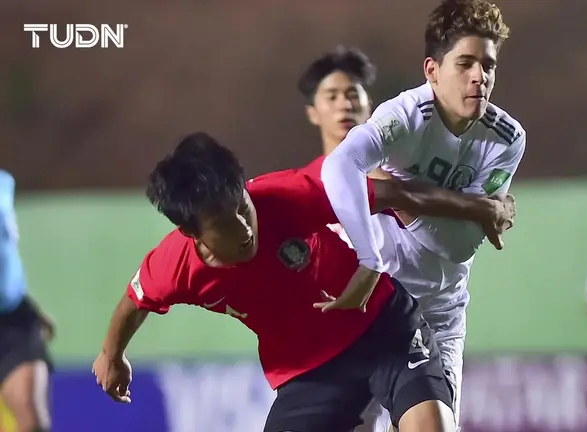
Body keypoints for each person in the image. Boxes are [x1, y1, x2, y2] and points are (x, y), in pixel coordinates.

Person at [91, 132, 515, 432]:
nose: (245, 226)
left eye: (243, 206)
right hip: (309, 372)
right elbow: (135, 301)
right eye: (225, 222)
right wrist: (112, 356)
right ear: (192, 233)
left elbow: (390, 191)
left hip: (384, 328)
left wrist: (480, 208)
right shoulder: (175, 266)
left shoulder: (288, 195)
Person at [320, 1, 524, 429]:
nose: (479, 77)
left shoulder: (506, 137)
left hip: (440, 311)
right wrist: (470, 207)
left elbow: (458, 244)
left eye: (488, 65)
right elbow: (338, 167)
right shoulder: (406, 116)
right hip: (374, 304)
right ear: (432, 70)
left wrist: (395, 195)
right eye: (465, 63)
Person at [0, 170, 55, 432]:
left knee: (31, 416)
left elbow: (5, 253)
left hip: (13, 317)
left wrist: (19, 297)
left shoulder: (4, 184)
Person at [298, 45, 376, 156]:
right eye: (332, 97)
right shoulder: (298, 174)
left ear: (368, 106)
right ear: (312, 114)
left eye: (353, 95)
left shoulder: (398, 172)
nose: (345, 105)